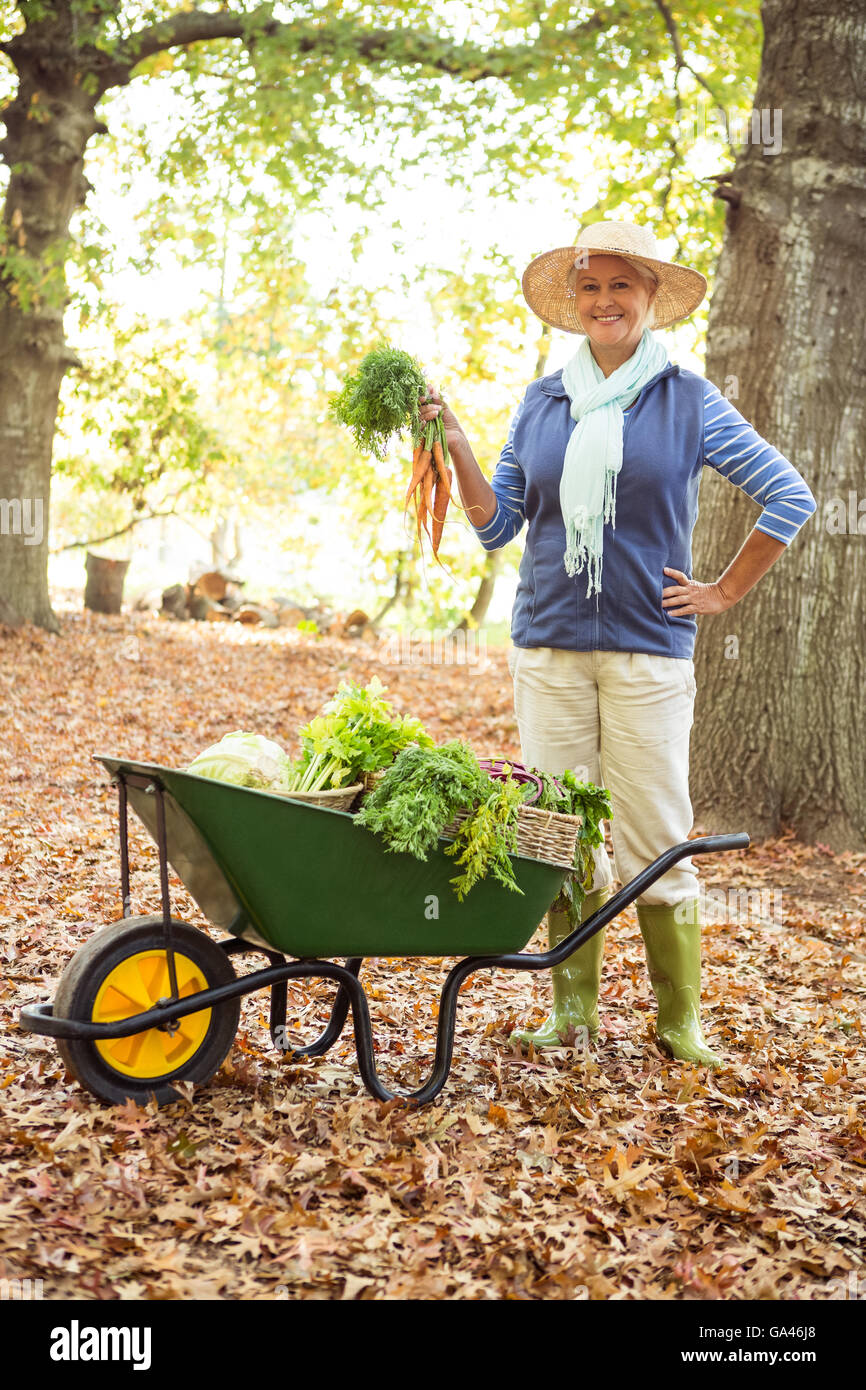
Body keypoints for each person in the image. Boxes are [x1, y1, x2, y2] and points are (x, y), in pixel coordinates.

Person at [418, 219, 817, 1068]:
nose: (605, 300)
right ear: (575, 302)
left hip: (648, 650)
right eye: (590, 287)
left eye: (621, 287)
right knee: (560, 829)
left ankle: (679, 1024)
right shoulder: (542, 401)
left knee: (657, 833)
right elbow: (497, 528)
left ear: (647, 300)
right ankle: (572, 1013)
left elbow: (788, 496)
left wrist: (724, 590)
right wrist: (458, 446)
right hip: (549, 648)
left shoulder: (687, 399)